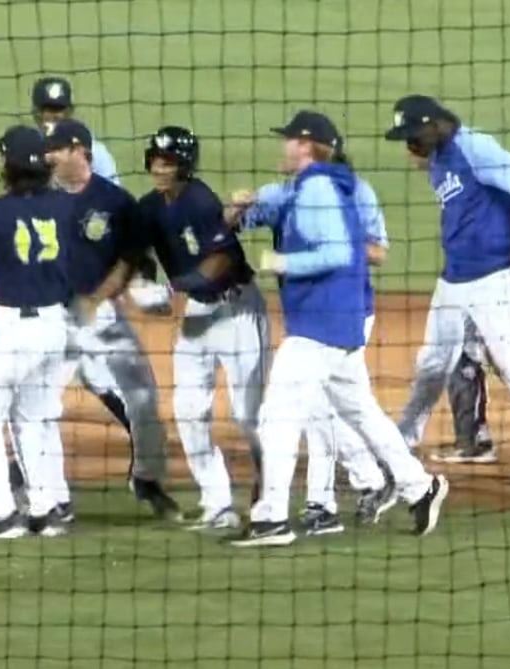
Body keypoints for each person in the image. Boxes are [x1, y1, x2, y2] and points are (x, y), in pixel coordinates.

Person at [235, 111, 448, 547]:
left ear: (306, 145)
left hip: (322, 321)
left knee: (279, 416)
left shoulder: (317, 189)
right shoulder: (317, 185)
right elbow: (262, 209)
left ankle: (271, 519)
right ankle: (419, 486)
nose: (283, 146)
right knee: (360, 411)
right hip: (338, 317)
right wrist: (244, 205)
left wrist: (284, 261)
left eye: (289, 139)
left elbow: (336, 253)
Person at [385, 94, 510, 484]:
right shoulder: (438, 155)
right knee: (433, 363)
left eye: (414, 135)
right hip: (456, 276)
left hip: (498, 274)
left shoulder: (474, 147)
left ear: (435, 124)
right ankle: (400, 443)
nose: (411, 144)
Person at [228, 141, 397, 531]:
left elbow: (378, 252)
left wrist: (330, 244)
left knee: (322, 409)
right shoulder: (283, 193)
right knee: (337, 407)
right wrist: (237, 206)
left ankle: (336, 497)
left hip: (350, 310)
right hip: (309, 313)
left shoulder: (357, 192)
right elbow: (236, 222)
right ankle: (376, 483)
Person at [134, 126, 267, 531]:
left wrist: (170, 288)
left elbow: (220, 260)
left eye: (168, 162)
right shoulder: (149, 207)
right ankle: (217, 503)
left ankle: (269, 489)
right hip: (198, 311)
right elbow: (139, 250)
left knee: (249, 414)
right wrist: (144, 283)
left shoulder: (200, 200)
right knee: (189, 410)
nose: (159, 169)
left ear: (184, 166)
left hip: (237, 309)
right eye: (155, 161)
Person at [47, 118, 181, 521]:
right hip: (50, 317)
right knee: (37, 405)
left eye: (57, 149)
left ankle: (147, 479)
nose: (49, 156)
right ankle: (43, 493)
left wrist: (115, 294)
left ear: (80, 152)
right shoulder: (39, 199)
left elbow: (132, 258)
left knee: (144, 398)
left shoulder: (116, 202)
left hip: (102, 314)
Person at [0, 126, 77, 539]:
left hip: (12, 330)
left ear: (10, 165)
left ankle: (1, 513)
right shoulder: (65, 207)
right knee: (34, 419)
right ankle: (45, 509)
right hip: (55, 327)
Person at [31, 77, 120, 184]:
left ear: (70, 111)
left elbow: (112, 190)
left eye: (59, 109)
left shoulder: (94, 151)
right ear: (36, 112)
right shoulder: (27, 149)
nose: (56, 115)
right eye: (48, 109)